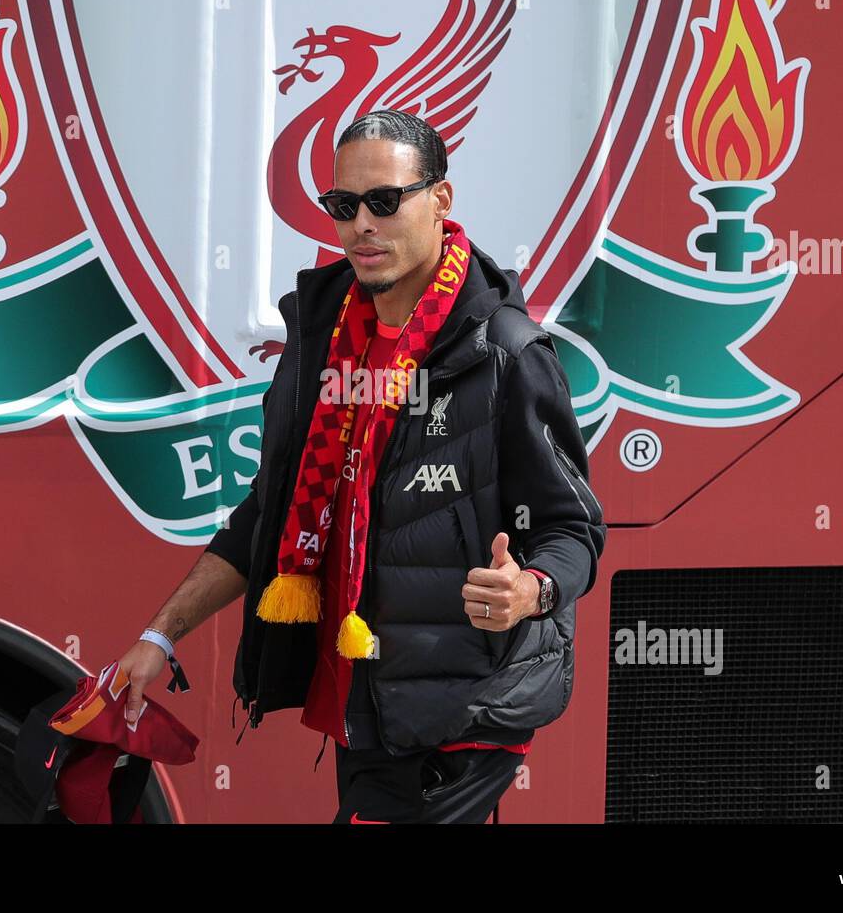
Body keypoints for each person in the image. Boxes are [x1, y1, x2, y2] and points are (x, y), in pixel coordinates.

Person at [118, 109, 606, 823]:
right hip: (362, 703)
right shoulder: (321, 341)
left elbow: (573, 530)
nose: (360, 226)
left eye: (385, 200)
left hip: (459, 712)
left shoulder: (505, 352)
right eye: (343, 206)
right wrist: (162, 633)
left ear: (440, 199)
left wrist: (530, 590)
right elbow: (271, 512)